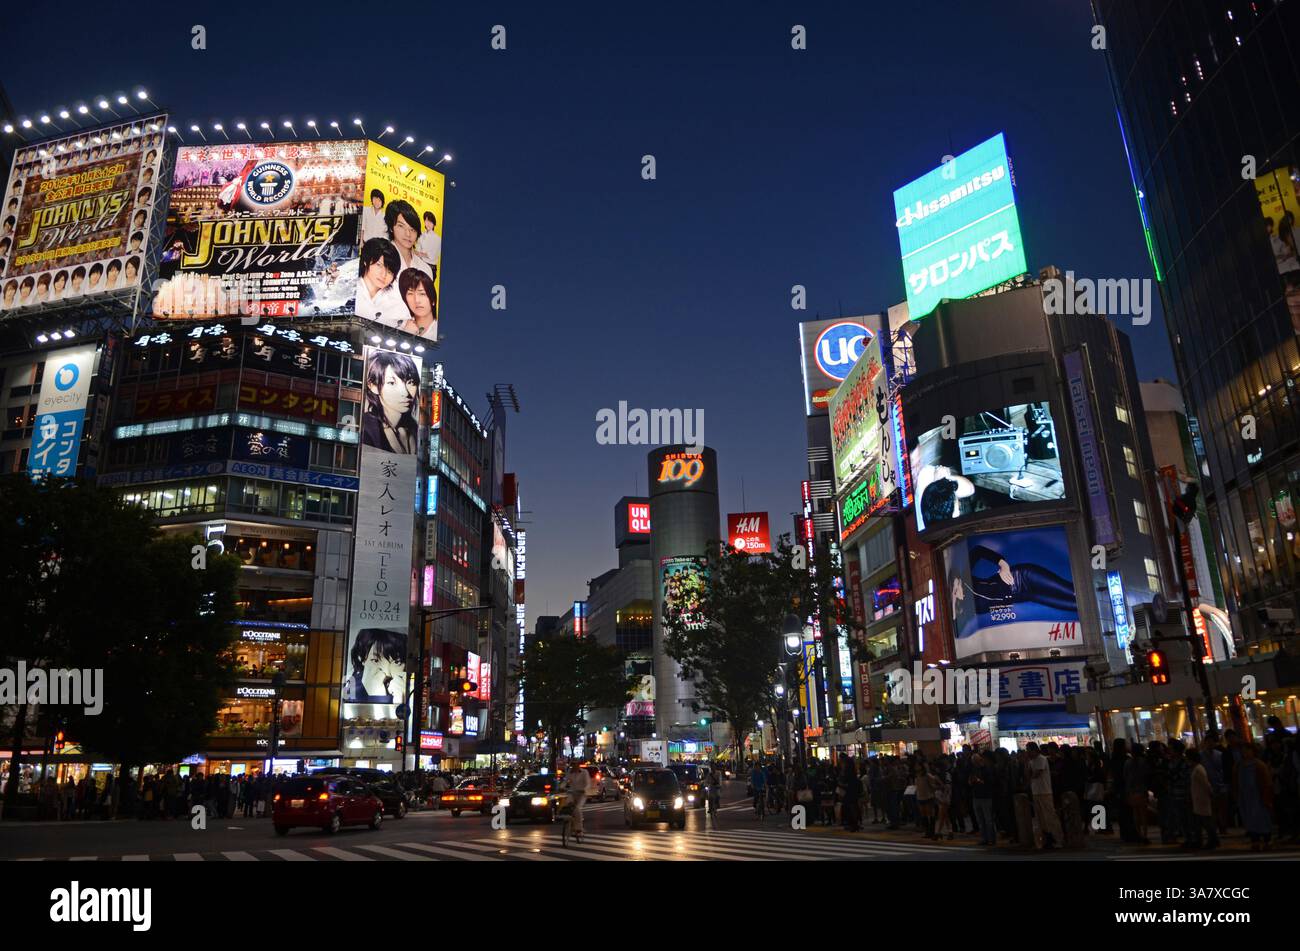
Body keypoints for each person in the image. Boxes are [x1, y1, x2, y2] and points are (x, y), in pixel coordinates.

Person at [361, 350, 420, 454]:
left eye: (410, 382)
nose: (405, 392)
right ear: (373, 386)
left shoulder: (414, 429)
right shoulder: (366, 426)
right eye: (392, 383)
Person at [353, 237, 409, 328]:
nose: (384, 275)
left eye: (390, 271)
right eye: (379, 265)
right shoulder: (349, 288)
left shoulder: (396, 303)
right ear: (365, 261)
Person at [343, 627, 407, 704]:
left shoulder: (409, 685)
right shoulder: (351, 688)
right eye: (376, 660)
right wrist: (377, 696)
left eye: (397, 662)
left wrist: (401, 700)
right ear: (362, 659)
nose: (387, 672)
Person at [1235, 743, 1274, 851]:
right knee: (1249, 819)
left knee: (1262, 818)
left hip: (1259, 795)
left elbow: (1267, 782)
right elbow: (1236, 781)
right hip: (1246, 796)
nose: (1245, 753)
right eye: (1244, 750)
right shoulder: (1240, 765)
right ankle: (1255, 840)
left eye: (1247, 750)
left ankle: (1267, 840)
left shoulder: (1259, 765)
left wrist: (1266, 796)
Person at [1025, 742, 1064, 849]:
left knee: (1050, 816)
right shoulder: (1031, 761)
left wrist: (1029, 776)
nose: (1027, 752)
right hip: (1036, 792)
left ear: (1034, 750)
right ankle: (1047, 839)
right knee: (1040, 818)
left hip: (1045, 791)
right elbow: (1028, 775)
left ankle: (1057, 839)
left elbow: (1036, 774)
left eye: (1028, 750)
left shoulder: (1041, 759)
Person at [385, 200, 433, 278]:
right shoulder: (381, 261)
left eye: (412, 229)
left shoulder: (425, 270)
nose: (408, 234)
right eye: (401, 226)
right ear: (391, 227)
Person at [1186, 749, 1218, 850]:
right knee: (1202, 821)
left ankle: (1212, 840)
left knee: (1205, 821)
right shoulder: (1197, 768)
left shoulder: (1198, 769)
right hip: (1199, 797)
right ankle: (1208, 840)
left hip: (1201, 798)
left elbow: (1206, 784)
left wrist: (1210, 793)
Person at [397, 267, 438, 340]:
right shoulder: (398, 326)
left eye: (422, 294)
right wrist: (406, 334)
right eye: (410, 293)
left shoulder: (440, 331)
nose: (416, 300)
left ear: (433, 300)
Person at [971, 751, 998, 846]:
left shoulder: (986, 769)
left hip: (986, 796)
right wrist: (972, 781)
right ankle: (984, 838)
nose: (975, 763)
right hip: (976, 796)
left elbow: (989, 783)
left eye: (976, 761)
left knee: (988, 819)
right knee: (981, 820)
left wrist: (978, 780)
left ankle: (991, 839)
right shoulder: (974, 770)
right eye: (973, 761)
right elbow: (970, 782)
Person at [564, 760, 590, 841]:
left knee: (578, 809)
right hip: (572, 793)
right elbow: (565, 781)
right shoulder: (570, 772)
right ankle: (570, 823)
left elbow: (588, 783)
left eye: (575, 764)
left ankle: (579, 829)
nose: (574, 766)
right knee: (568, 805)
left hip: (581, 794)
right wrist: (562, 787)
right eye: (573, 764)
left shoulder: (584, 772)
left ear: (578, 765)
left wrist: (584, 789)